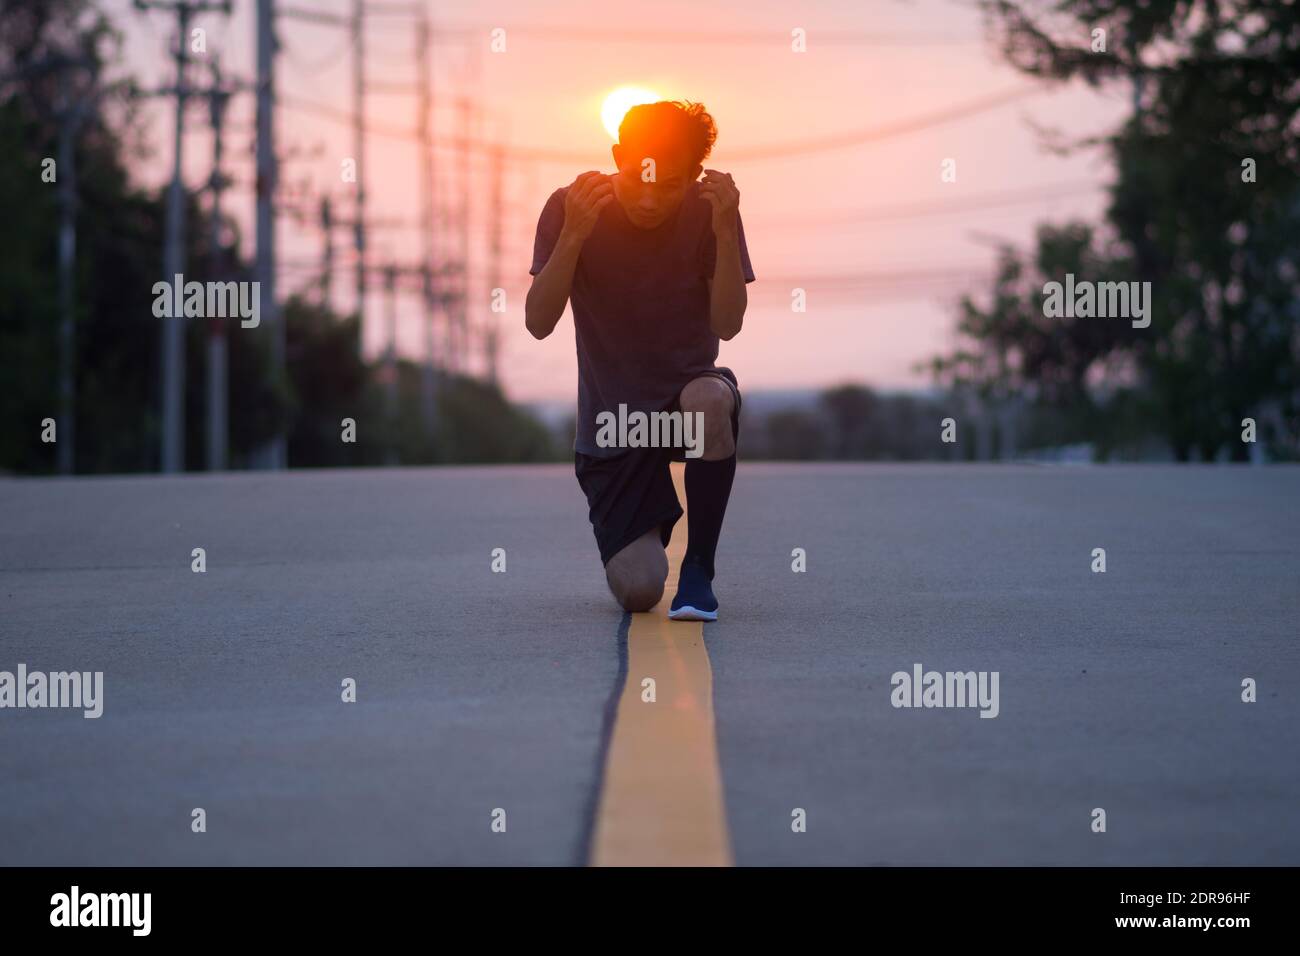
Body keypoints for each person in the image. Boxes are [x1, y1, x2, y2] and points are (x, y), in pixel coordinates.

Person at [525, 100, 755, 620]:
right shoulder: (571, 205)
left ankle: (699, 570)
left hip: (684, 409)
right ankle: (650, 525)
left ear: (694, 178)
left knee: (709, 398)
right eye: (638, 178)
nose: (650, 199)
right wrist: (576, 232)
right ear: (618, 156)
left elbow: (727, 325)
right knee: (640, 591)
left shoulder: (711, 212)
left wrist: (723, 228)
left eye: (669, 185)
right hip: (615, 429)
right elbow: (538, 322)